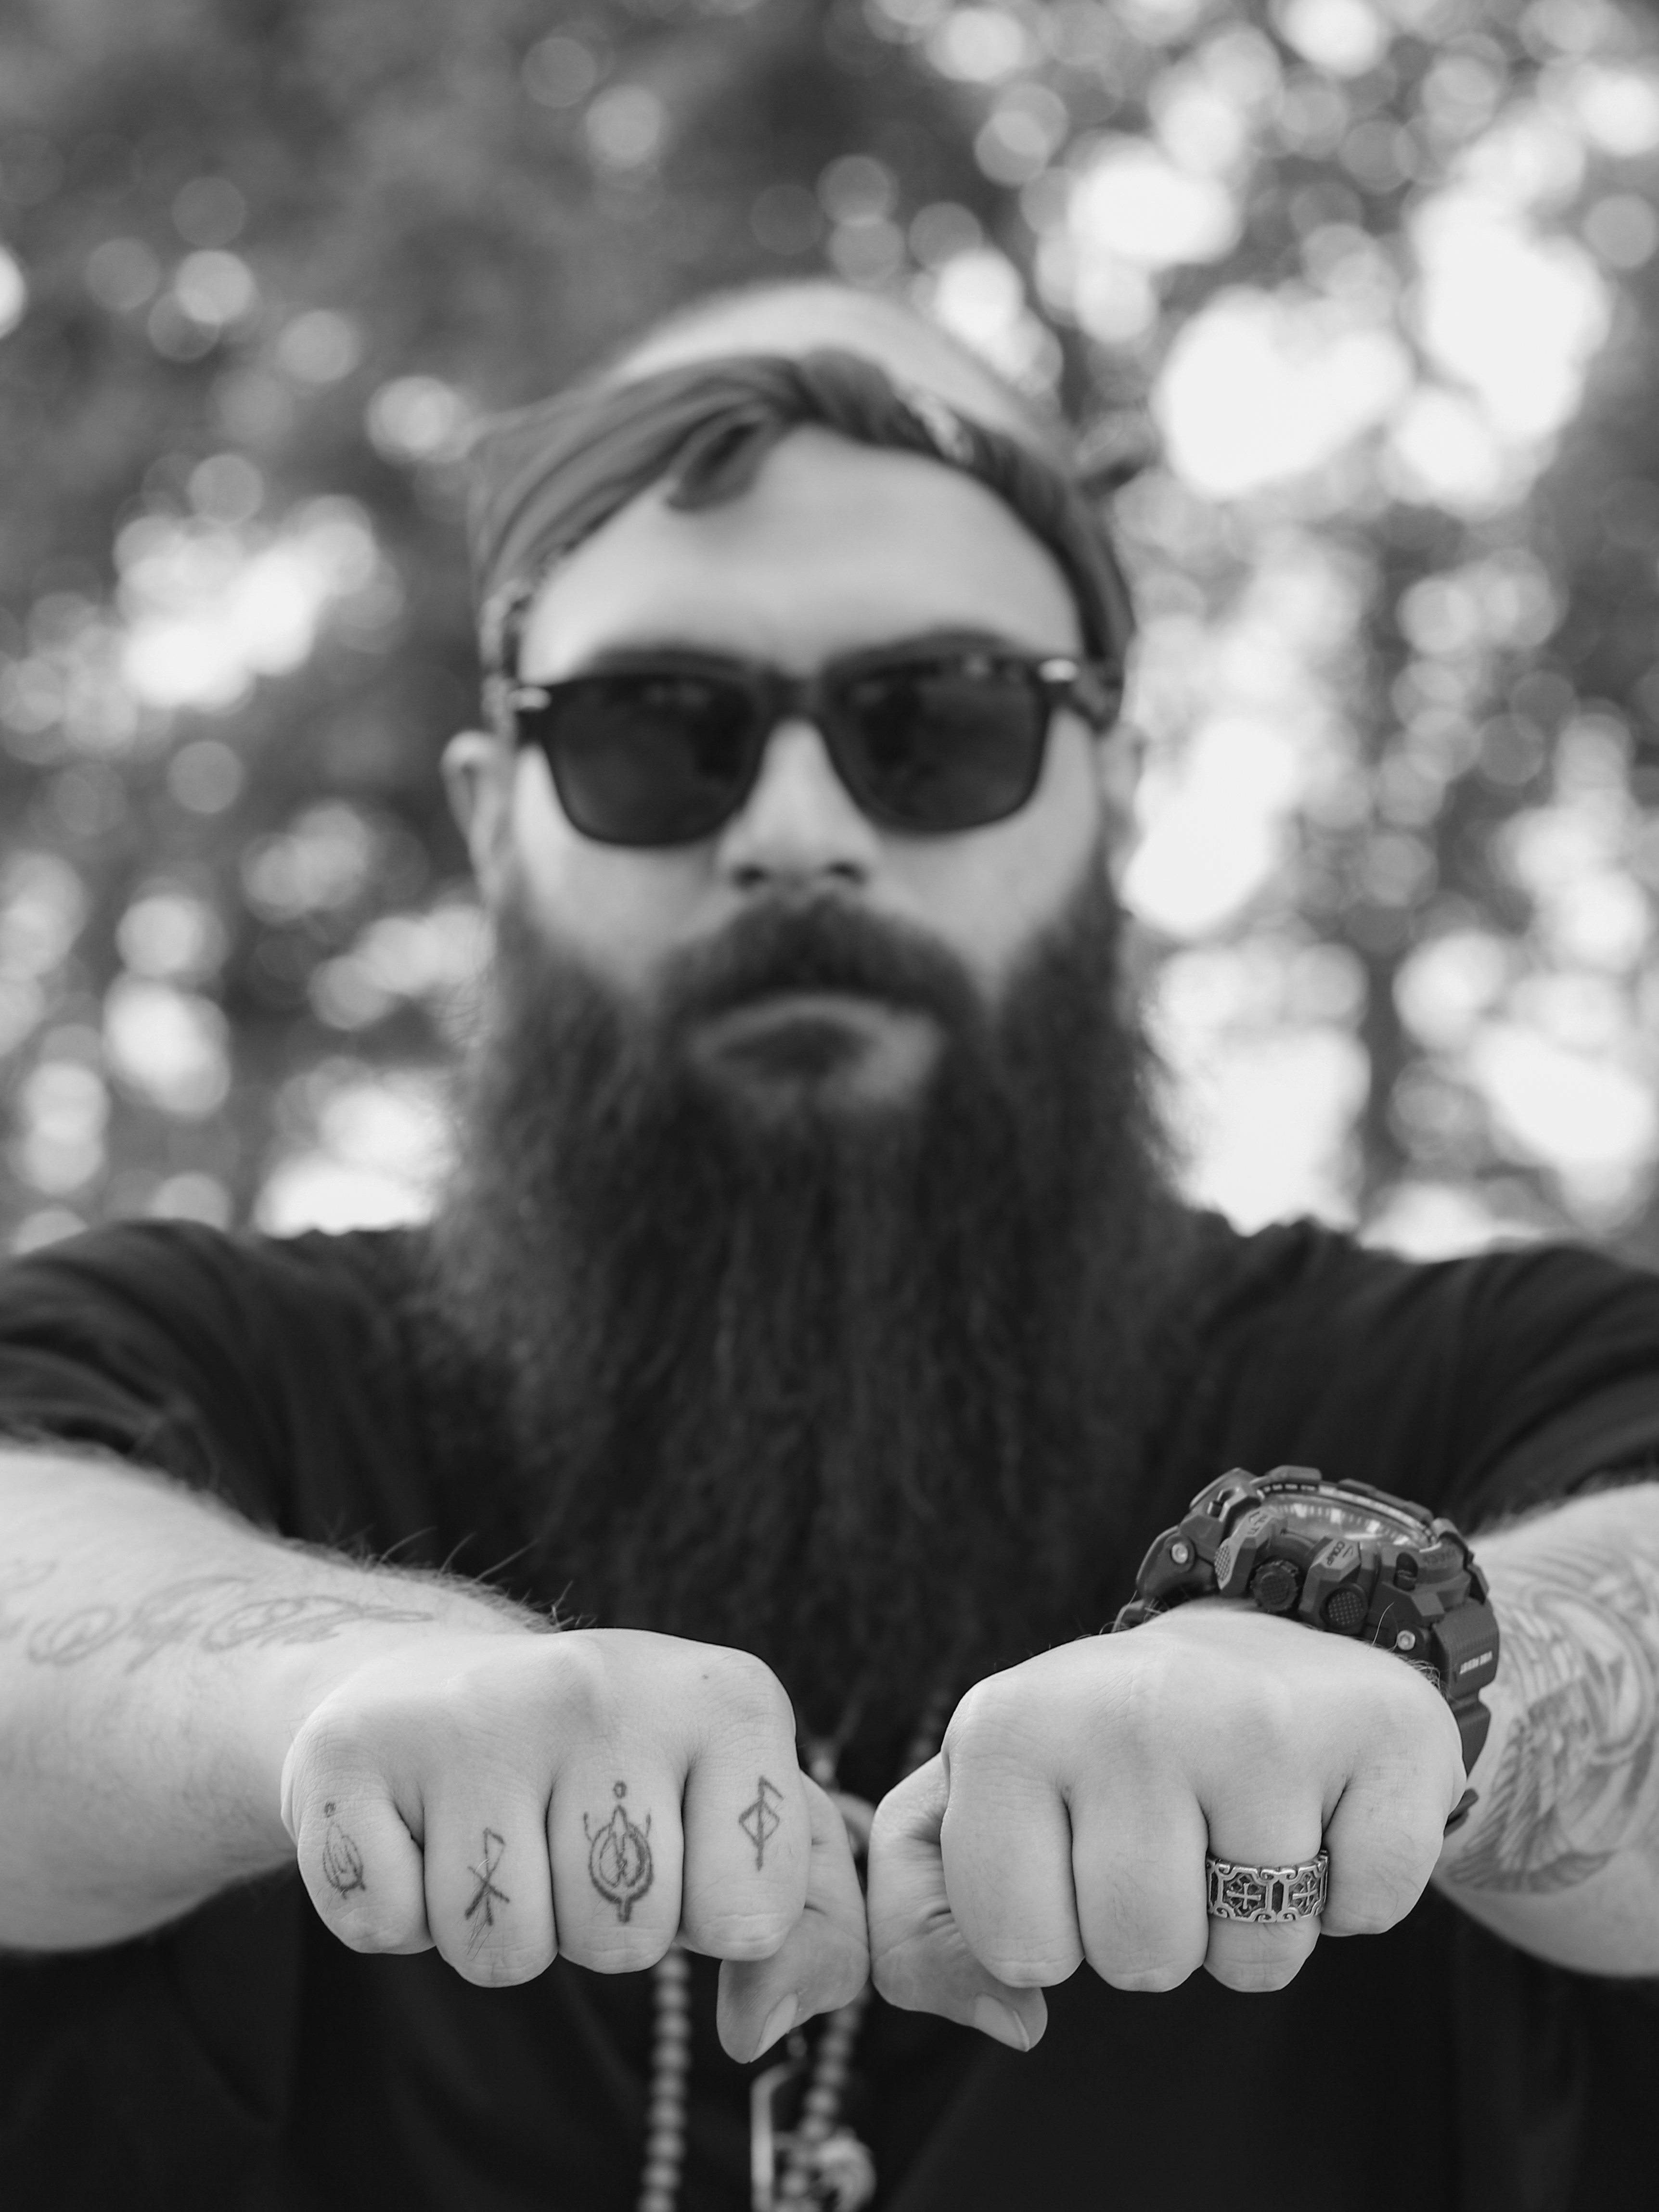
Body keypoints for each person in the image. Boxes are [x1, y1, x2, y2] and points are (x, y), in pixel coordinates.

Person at [1, 278, 1656, 2212]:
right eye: (652, 734)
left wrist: (1404, 1687)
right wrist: (331, 1690)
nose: (796, 830)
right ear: (495, 819)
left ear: (1117, 790)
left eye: (937, 722)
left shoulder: (1473, 1371)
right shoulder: (204, 1354)